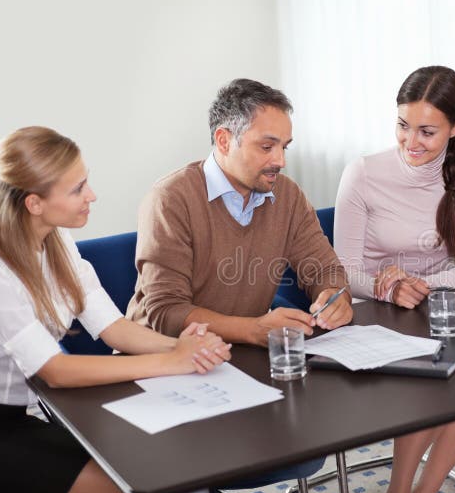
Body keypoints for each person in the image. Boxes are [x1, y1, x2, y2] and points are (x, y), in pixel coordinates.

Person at [0, 127, 231, 493]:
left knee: (148, 471)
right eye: (77, 189)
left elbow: (113, 328)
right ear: (34, 202)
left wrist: (186, 347)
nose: (91, 195)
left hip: (19, 418)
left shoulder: (55, 243)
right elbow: (54, 371)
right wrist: (173, 361)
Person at [334, 65, 455, 493]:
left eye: (427, 131)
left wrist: (426, 285)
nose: (411, 142)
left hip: (434, 305)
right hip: (374, 313)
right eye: (402, 126)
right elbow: (342, 271)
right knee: (435, 380)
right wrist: (387, 287)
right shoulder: (364, 173)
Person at [126, 78, 352, 345]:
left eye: (284, 147)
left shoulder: (288, 196)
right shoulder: (170, 199)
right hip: (160, 356)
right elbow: (167, 312)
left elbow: (325, 270)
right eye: (267, 147)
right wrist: (253, 329)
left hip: (236, 355)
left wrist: (336, 297)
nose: (280, 161)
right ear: (224, 141)